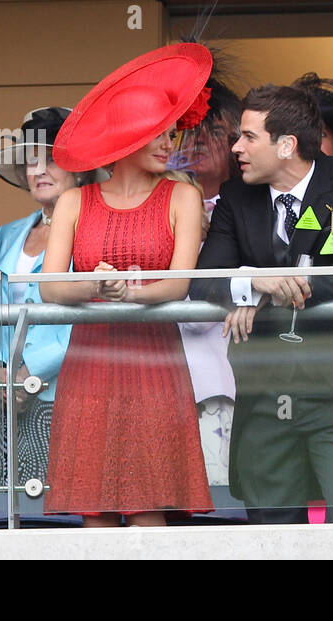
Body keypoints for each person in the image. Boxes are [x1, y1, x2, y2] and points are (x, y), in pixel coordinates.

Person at [190, 84, 333, 524]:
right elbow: (204, 283)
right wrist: (255, 281)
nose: (235, 147)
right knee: (271, 536)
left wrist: (271, 291)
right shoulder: (236, 195)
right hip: (263, 395)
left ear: (286, 145)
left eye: (247, 137)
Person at [42, 43, 212, 526]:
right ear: (124, 139)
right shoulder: (74, 200)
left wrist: (127, 293)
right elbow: (50, 288)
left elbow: (178, 286)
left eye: (172, 133)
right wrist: (95, 286)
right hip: (90, 365)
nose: (168, 143)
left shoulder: (183, 196)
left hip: (154, 360)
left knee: (147, 508)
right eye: (156, 134)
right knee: (94, 512)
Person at [0, 106, 102, 486]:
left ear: (79, 168)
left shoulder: (94, 228)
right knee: (10, 509)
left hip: (66, 392)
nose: (39, 170)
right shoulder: (7, 233)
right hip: (8, 397)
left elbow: (93, 314)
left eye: (51, 159)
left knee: (63, 506)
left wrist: (32, 372)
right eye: (31, 161)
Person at [171, 68, 244, 487]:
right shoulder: (151, 203)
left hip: (219, 378)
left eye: (213, 130)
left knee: (216, 507)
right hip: (150, 372)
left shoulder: (249, 210)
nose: (197, 141)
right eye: (185, 131)